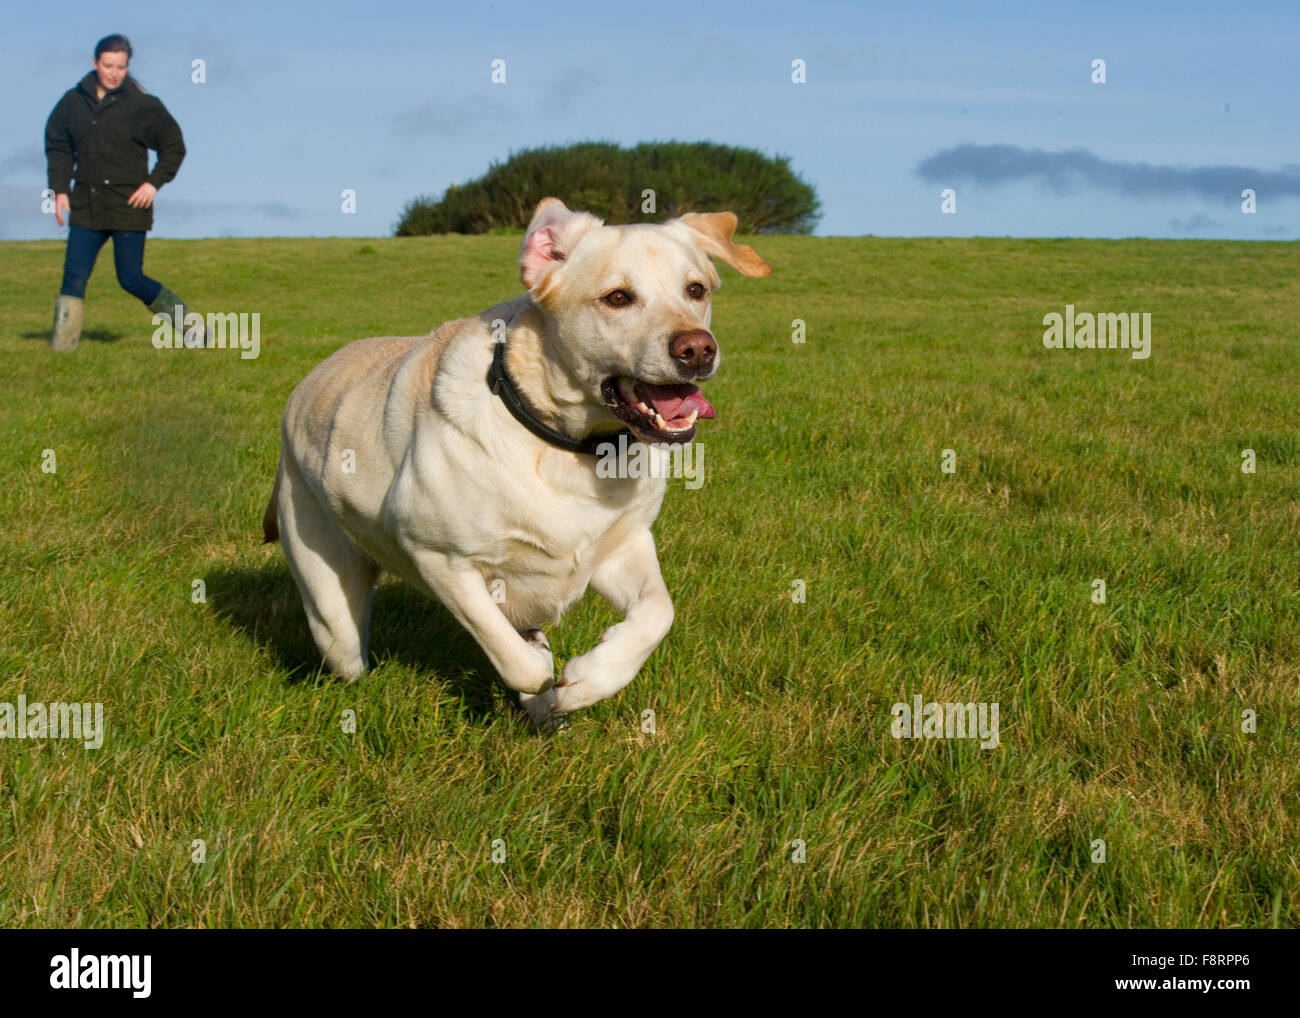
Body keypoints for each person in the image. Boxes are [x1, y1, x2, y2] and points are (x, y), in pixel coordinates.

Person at [44, 33, 202, 350]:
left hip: (129, 207)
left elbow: (174, 148)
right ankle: (61, 350)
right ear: (95, 63)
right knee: (73, 277)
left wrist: (152, 183)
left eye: (120, 66)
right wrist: (60, 190)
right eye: (108, 65)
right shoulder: (72, 103)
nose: (114, 72)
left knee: (130, 278)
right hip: (86, 206)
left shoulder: (144, 106)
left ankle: (193, 329)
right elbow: (58, 147)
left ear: (127, 67)